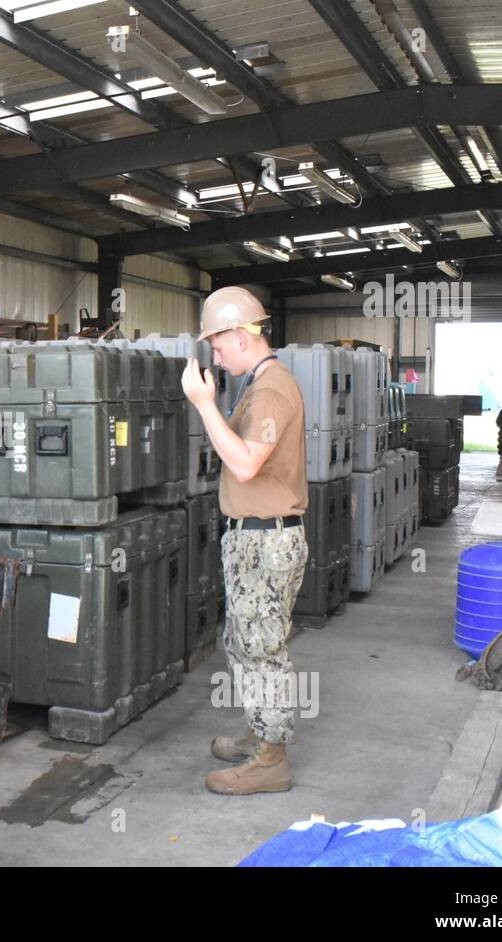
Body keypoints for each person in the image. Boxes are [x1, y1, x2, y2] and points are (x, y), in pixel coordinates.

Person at [181, 286, 308, 796]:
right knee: (245, 644)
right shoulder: (257, 386)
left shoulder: (271, 389)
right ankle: (260, 736)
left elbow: (245, 461)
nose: (214, 354)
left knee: (264, 649)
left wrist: (203, 404)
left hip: (266, 542)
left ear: (240, 335)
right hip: (251, 539)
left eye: (216, 344)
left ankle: (272, 760)